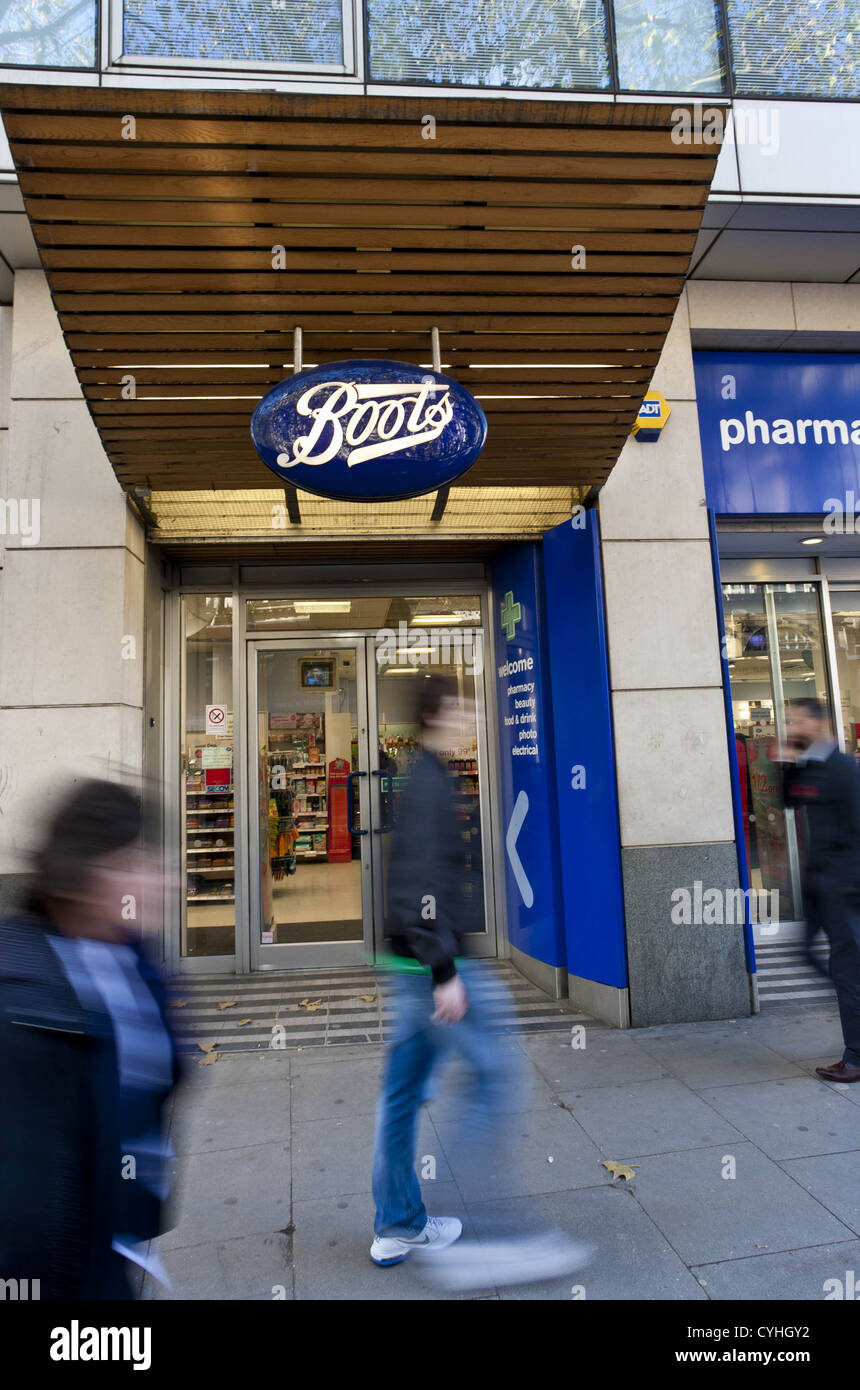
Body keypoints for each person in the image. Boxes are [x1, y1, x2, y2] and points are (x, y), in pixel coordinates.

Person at [370, 673, 591, 1289]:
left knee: (401, 1100)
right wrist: (444, 972)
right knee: (495, 1080)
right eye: (464, 707)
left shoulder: (422, 777)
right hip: (434, 967)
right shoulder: (429, 784)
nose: (472, 717)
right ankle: (494, 1233)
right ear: (439, 714)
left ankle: (398, 1224)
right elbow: (419, 884)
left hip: (409, 962)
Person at [0, 778, 180, 1298]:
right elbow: (29, 1210)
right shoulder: (26, 1005)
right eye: (131, 865)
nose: (158, 880)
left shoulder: (136, 962)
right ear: (77, 877)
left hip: (118, 1238)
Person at [776, 699, 860, 1083]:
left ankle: (855, 1057)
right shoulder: (812, 764)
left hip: (844, 885)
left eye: (797, 720)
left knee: (846, 970)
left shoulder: (843, 769)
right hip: (818, 885)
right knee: (807, 952)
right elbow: (789, 800)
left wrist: (851, 880)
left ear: (818, 722)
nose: (793, 725)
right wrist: (788, 759)